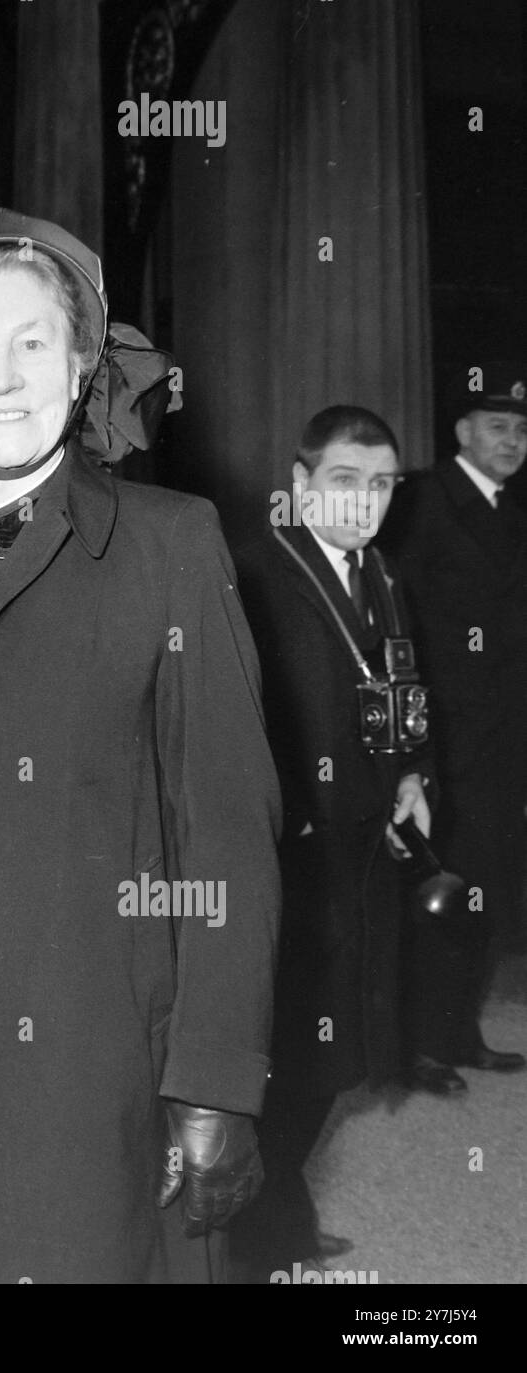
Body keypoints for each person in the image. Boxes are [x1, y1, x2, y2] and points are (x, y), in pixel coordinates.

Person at [0, 208, 281, 1283]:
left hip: (94, 1049)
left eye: (32, 342)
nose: (0, 376)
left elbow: (226, 823)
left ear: (80, 368)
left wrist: (214, 1078)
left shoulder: (172, 542)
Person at [229, 406, 432, 1276]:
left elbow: (400, 686)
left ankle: (280, 1209)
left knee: (342, 1039)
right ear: (303, 484)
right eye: (346, 481)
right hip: (297, 847)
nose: (366, 501)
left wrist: (413, 775)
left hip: (364, 836)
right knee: (297, 1055)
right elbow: (237, 714)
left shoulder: (378, 570)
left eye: (382, 484)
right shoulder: (257, 573)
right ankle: (257, 1233)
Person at [378, 367, 527, 1090]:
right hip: (440, 736)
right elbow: (392, 613)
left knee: (485, 889)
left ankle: (459, 1030)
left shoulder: (514, 507)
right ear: (464, 431)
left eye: (523, 429)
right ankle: (416, 1045)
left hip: (503, 737)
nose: (513, 440)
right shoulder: (422, 500)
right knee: (435, 888)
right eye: (497, 425)